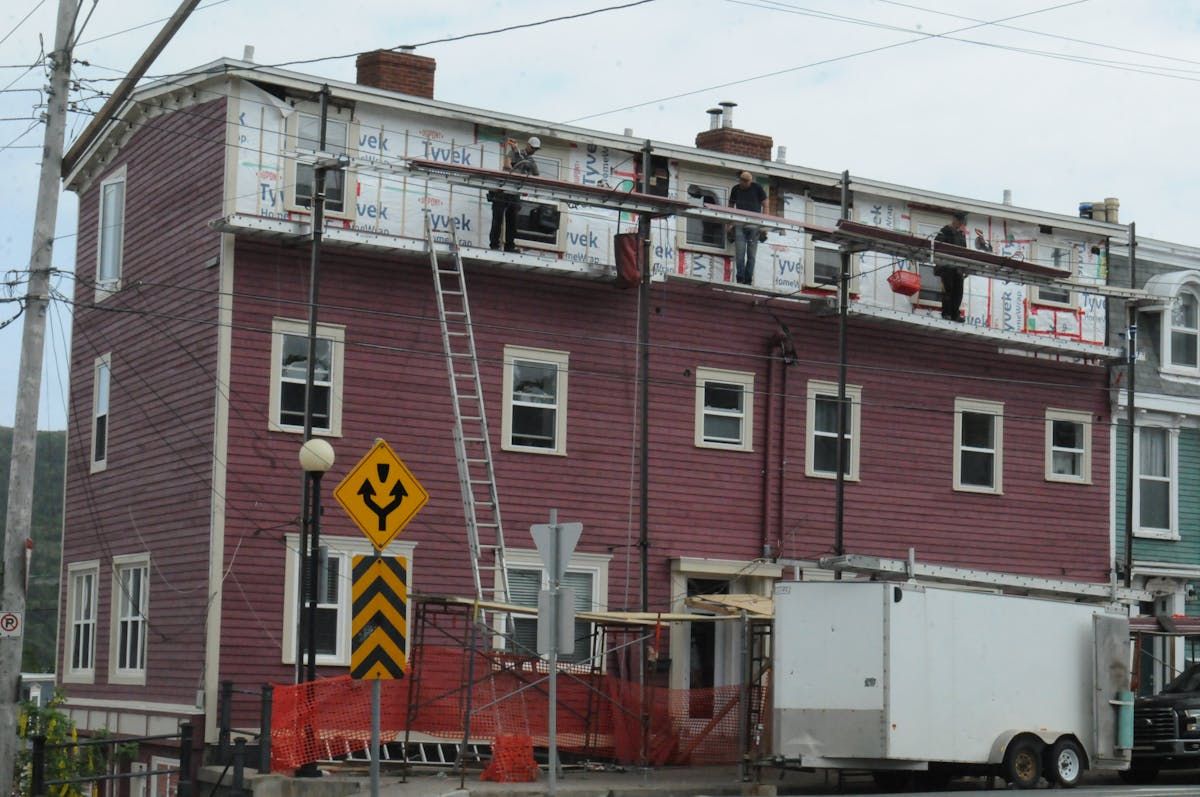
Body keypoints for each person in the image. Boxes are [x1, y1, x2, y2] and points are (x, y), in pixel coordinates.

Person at [489, 136, 541, 252]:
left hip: (515, 193)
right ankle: (494, 245)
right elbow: (507, 166)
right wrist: (519, 162)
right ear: (528, 145)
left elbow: (536, 175)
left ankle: (509, 246)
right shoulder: (513, 152)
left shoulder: (530, 161)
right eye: (532, 148)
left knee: (512, 221)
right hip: (503, 190)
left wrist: (528, 166)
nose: (533, 150)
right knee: (497, 220)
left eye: (535, 149)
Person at [727, 171, 768, 285]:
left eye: (748, 182)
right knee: (740, 253)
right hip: (740, 223)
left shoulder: (757, 188)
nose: (745, 184)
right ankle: (740, 278)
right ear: (741, 180)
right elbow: (730, 206)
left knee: (751, 255)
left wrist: (763, 224)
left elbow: (765, 204)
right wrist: (729, 224)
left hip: (754, 225)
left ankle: (748, 279)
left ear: (750, 181)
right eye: (743, 181)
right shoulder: (736, 189)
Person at [934, 211, 968, 321]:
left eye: (961, 222)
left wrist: (964, 268)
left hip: (958, 268)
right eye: (959, 221)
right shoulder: (945, 231)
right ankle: (946, 313)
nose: (960, 224)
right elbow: (937, 246)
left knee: (958, 291)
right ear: (954, 219)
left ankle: (955, 314)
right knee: (948, 290)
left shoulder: (961, 235)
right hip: (946, 267)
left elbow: (965, 252)